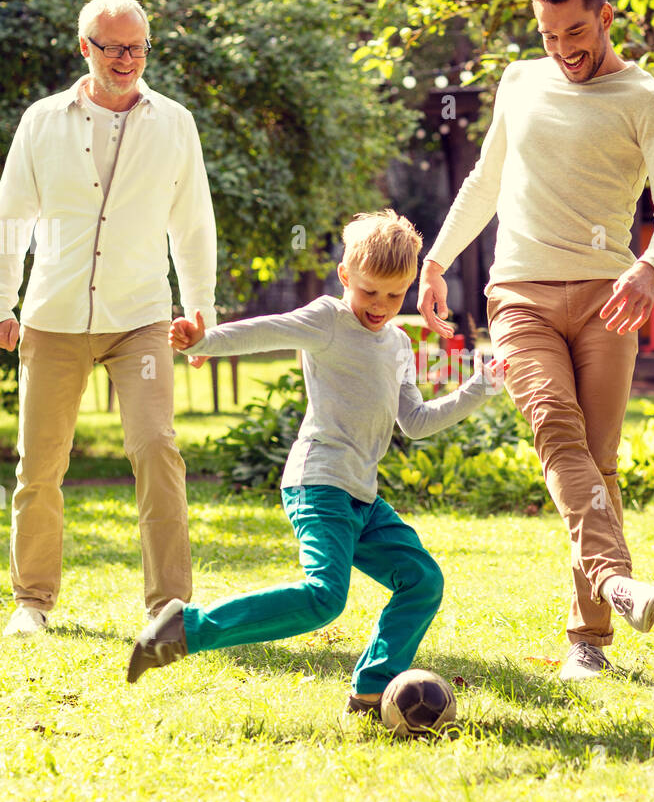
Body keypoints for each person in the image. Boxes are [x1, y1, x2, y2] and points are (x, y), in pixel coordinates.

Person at [418, 0, 654, 681]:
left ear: (606, 18)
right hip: (519, 294)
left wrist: (646, 269)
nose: (563, 49)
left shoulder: (647, 100)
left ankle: (589, 641)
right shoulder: (520, 81)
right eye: (548, 36)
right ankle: (614, 582)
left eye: (575, 32)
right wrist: (438, 259)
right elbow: (485, 181)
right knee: (555, 429)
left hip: (609, 297)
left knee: (597, 463)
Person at [127, 210, 508, 717]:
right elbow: (269, 331)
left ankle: (372, 688)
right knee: (324, 598)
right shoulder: (329, 319)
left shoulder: (396, 343)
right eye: (370, 291)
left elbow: (414, 420)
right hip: (318, 485)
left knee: (422, 580)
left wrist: (479, 386)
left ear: (410, 286)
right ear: (346, 276)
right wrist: (203, 341)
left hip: (362, 498)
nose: (381, 306)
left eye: (395, 296)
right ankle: (186, 628)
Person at [0, 0, 217, 636]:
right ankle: (32, 602)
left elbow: (192, 225)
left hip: (139, 315)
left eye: (138, 47)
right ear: (84, 47)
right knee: (39, 463)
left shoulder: (175, 123)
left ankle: (169, 606)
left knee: (157, 449)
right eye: (113, 48)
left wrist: (200, 309)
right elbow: (8, 220)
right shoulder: (42, 121)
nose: (127, 59)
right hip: (53, 317)